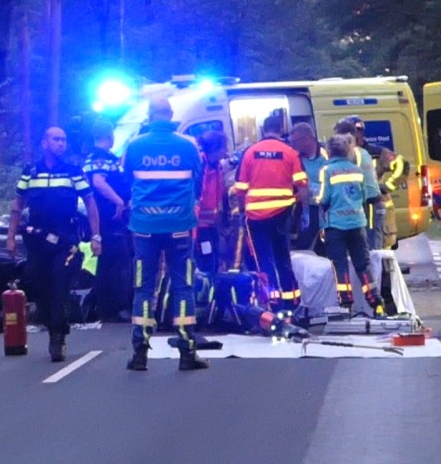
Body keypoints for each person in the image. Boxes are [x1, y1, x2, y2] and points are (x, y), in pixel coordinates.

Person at [122, 98, 205, 371]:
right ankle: (187, 351)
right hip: (179, 225)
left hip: (144, 226)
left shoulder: (135, 145)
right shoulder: (188, 145)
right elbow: (199, 179)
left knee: (144, 288)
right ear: (170, 115)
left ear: (149, 115)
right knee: (183, 287)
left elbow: (127, 180)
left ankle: (140, 352)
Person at [7, 127, 102, 362]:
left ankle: (57, 336)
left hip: (65, 240)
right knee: (37, 284)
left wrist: (96, 237)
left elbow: (90, 204)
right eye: (56, 139)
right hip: (38, 239)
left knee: (59, 284)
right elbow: (18, 206)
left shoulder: (73, 172)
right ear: (44, 143)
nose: (61, 143)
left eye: (63, 140)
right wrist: (10, 238)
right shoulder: (31, 172)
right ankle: (53, 323)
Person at [235, 111, 310, 312]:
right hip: (282, 215)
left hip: (255, 218)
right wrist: (302, 212)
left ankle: (271, 303)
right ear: (281, 130)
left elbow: (240, 188)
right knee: (283, 258)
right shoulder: (290, 153)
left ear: (263, 130)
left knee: (263, 260)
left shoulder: (250, 152)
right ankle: (292, 303)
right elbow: (302, 186)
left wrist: (242, 209)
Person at [316, 134, 397, 316]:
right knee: (363, 264)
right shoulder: (357, 171)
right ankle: (375, 302)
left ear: (329, 151)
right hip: (358, 223)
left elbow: (324, 198)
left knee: (340, 265)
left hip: (335, 225)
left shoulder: (327, 171)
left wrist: (317, 199)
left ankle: (346, 304)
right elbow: (364, 195)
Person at [83, 120, 133, 322]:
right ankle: (115, 306)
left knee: (106, 261)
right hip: (109, 216)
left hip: (103, 216)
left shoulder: (94, 156)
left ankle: (105, 306)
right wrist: (119, 201)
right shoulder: (101, 157)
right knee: (119, 260)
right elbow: (99, 182)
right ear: (110, 135)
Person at [333, 117, 385, 250]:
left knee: (371, 246)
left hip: (370, 204)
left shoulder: (353, 155)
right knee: (372, 243)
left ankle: (374, 264)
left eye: (338, 137)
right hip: (374, 202)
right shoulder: (363, 152)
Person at [195, 129, 231, 276]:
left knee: (214, 257)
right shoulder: (202, 164)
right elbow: (197, 195)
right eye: (224, 147)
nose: (226, 151)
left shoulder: (215, 165)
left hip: (210, 223)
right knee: (207, 259)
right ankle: (206, 286)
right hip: (200, 226)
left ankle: (211, 284)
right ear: (216, 148)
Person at [290, 122, 327, 252]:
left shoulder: (327, 155)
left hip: (327, 212)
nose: (292, 145)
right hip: (303, 212)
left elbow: (333, 185)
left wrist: (308, 187)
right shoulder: (294, 158)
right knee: (303, 251)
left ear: (306, 140)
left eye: (295, 142)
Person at [377, 144, 407, 250]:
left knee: (383, 245)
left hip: (379, 205)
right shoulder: (341, 156)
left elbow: (403, 165)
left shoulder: (376, 152)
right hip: (355, 213)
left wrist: (387, 187)